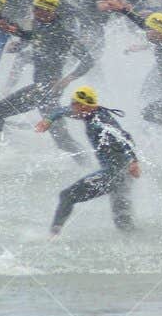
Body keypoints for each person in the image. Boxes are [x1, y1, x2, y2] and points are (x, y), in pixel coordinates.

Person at [38, 85, 140, 236]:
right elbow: (61, 111)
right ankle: (140, 246)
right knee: (123, 223)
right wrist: (49, 120)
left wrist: (133, 161)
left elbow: (124, 137)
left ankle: (52, 236)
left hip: (114, 174)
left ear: (83, 106)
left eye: (74, 105)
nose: (71, 109)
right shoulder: (88, 112)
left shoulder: (99, 121)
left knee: (67, 196)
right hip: (121, 174)